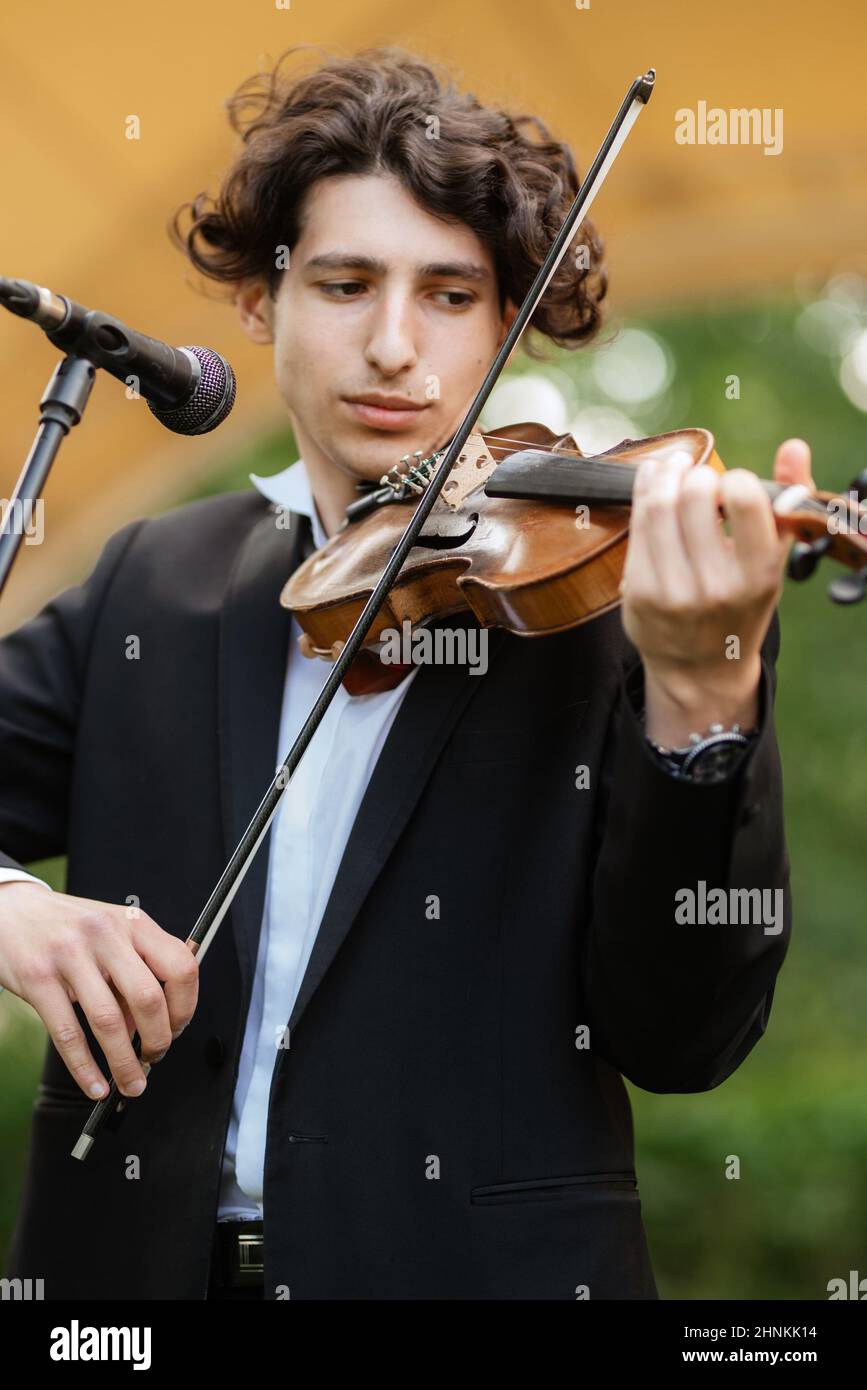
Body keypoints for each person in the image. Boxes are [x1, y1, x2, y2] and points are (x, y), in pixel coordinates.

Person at [1, 46, 805, 1300]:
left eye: (447, 294)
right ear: (264, 302)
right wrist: (15, 910)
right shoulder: (155, 581)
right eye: (344, 283)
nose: (392, 345)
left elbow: (684, 1038)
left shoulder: (613, 605)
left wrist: (700, 699)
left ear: (506, 322)